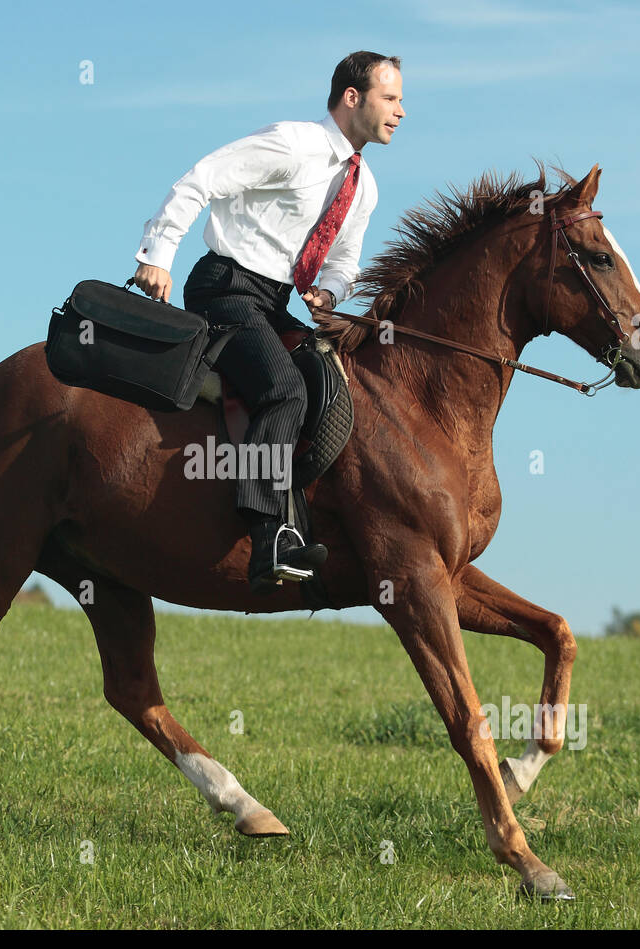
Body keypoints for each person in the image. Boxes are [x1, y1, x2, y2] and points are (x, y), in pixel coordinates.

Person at [132, 51, 404, 594]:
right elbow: (202, 178)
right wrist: (157, 251)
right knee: (283, 390)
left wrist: (330, 291)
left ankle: (304, 525)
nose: (401, 111)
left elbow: (343, 261)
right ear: (354, 98)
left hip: (273, 299)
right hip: (223, 288)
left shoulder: (363, 185)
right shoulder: (292, 143)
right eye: (391, 98)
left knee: (325, 378)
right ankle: (268, 535)